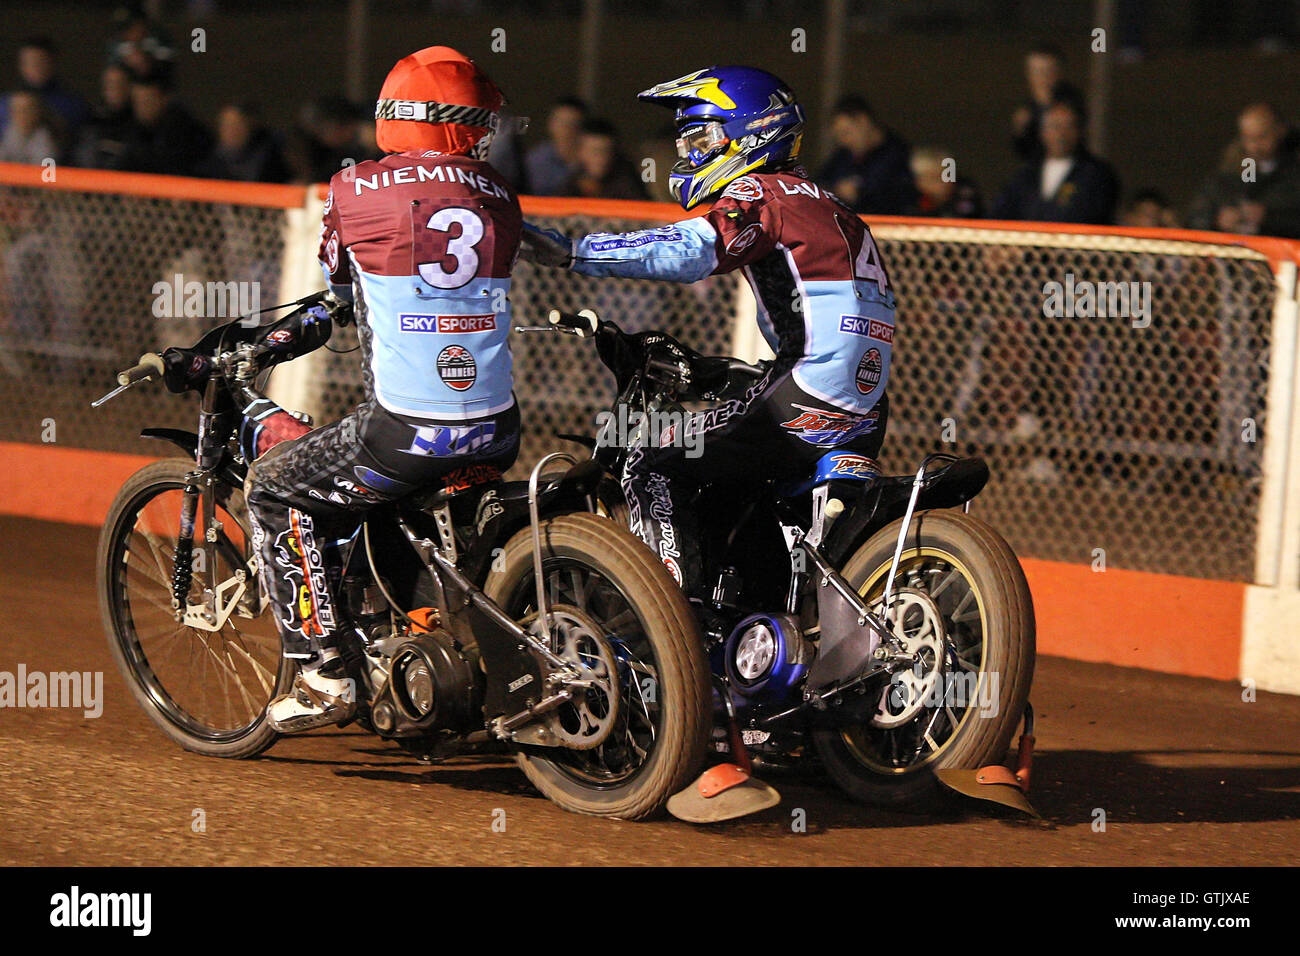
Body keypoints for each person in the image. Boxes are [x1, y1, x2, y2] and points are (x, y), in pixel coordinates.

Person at [521, 66, 895, 596]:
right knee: (739, 469)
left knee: (649, 454)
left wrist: (573, 251)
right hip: (865, 405)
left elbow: (689, 250)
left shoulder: (761, 194)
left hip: (810, 388)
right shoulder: (831, 206)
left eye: (702, 138)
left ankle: (675, 621)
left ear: (751, 132)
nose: (691, 153)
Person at [243, 46, 525, 732]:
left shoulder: (352, 188)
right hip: (501, 426)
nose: (485, 134)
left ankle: (325, 670)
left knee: (275, 488)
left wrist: (269, 343)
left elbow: (337, 297)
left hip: (408, 429)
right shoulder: (499, 194)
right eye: (476, 121)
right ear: (448, 124)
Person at [991, 99, 1119, 224]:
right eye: (1055, 126)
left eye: (1068, 126)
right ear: (1042, 132)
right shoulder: (1026, 175)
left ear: (1079, 132)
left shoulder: (1096, 174)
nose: (1061, 134)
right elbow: (1001, 213)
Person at [1188, 103, 1300, 239]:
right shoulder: (1230, 173)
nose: (1254, 146)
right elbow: (1196, 218)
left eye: (1262, 137)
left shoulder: (1293, 172)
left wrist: (1270, 218)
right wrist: (1217, 221)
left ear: (1280, 130)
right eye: (1248, 138)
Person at [815, 95, 917, 214]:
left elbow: (900, 197)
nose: (843, 140)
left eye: (846, 132)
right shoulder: (843, 157)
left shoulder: (900, 155)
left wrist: (860, 193)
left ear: (863, 121)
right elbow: (818, 184)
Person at [118, 70, 213, 176]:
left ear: (164, 100)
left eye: (147, 101)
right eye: (137, 102)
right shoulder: (131, 129)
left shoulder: (186, 132)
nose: (141, 108)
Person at [1010, 44, 1085, 161]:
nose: (1042, 78)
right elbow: (1023, 151)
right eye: (1035, 72)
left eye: (1047, 71)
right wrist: (1019, 130)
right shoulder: (1026, 109)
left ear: (1059, 73)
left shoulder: (1070, 103)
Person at [196, 103, 290, 182]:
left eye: (237, 125)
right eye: (225, 125)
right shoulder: (210, 161)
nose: (231, 131)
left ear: (251, 126)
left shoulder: (269, 156)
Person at [565, 117, 646, 199]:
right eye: (594, 151)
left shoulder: (627, 182)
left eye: (606, 150)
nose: (600, 158)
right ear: (580, 152)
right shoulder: (569, 184)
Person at [524, 96, 586, 195]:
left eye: (573, 123)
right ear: (550, 125)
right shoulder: (537, 160)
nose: (566, 129)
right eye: (561, 122)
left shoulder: (592, 157)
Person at [906, 147, 984, 218]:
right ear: (919, 181)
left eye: (948, 174)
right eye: (935, 178)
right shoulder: (910, 198)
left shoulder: (966, 193)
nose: (945, 181)